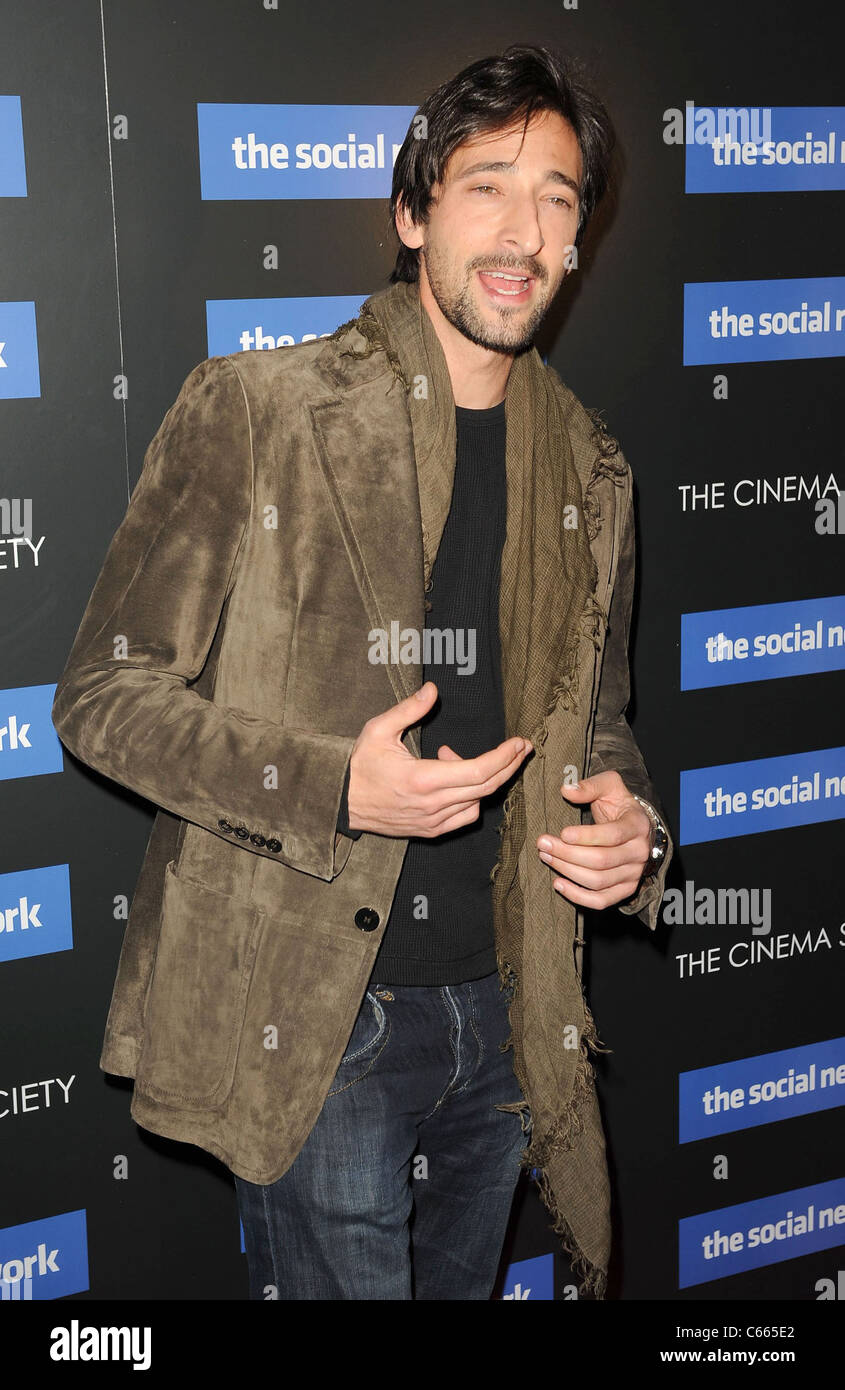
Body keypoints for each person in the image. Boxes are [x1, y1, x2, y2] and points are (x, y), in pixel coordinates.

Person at [52, 43, 672, 1301]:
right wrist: (337, 786)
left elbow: (597, 727)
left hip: (510, 1013)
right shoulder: (260, 409)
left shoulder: (593, 475)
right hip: (325, 1023)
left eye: (555, 198)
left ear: (575, 244)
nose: (522, 229)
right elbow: (104, 698)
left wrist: (632, 833)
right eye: (484, 185)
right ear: (410, 213)